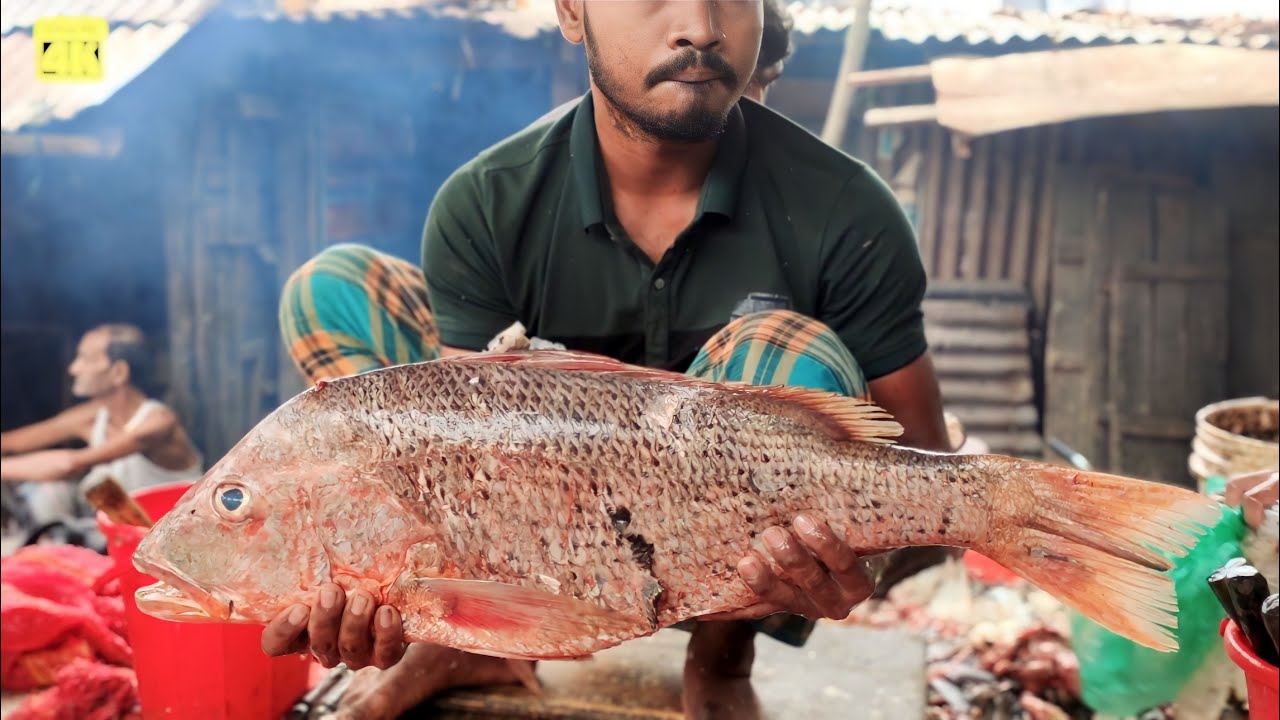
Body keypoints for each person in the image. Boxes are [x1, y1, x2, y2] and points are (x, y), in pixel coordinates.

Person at [267, 2, 951, 718]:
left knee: (785, 352)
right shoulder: (487, 199)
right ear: (571, 10)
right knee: (330, 290)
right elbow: (462, 463)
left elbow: (925, 466)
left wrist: (849, 551)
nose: (699, 27)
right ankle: (477, 641)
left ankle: (720, 658)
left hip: (727, 533)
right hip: (547, 511)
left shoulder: (847, 209)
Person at [1, 324, 203, 530]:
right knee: (49, 494)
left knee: (53, 492)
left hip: (174, 533)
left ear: (119, 372)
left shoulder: (158, 422)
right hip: (121, 534)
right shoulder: (93, 416)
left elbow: (69, 464)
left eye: (85, 359)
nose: (74, 369)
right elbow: (15, 442)